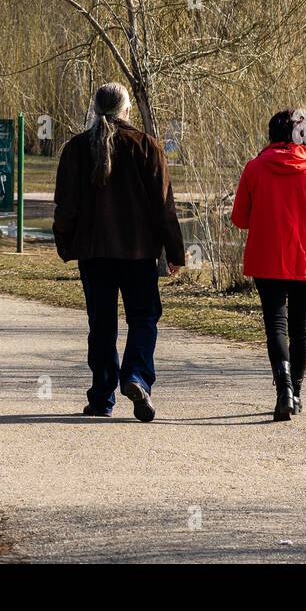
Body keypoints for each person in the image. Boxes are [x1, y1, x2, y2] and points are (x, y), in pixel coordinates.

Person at [53, 83, 185, 422]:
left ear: (95, 109)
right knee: (143, 317)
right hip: (139, 254)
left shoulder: (76, 149)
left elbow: (65, 206)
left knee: (101, 324)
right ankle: (136, 377)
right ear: (126, 110)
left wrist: (65, 243)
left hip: (94, 253)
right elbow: (163, 207)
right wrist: (174, 252)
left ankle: (101, 397)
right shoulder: (146, 146)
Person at [231, 110, 306, 421]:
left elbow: (239, 218)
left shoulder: (254, 169)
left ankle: (282, 390)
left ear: (271, 135)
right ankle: (295, 391)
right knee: (300, 329)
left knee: (276, 327)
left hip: (267, 259)